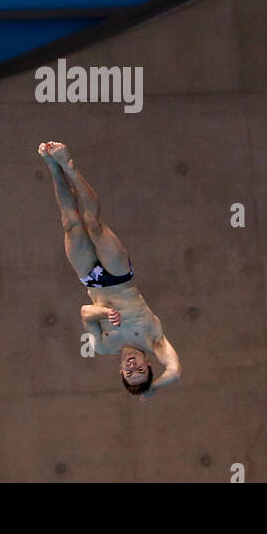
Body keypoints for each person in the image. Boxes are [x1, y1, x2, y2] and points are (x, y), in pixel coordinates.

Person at [38, 141, 181, 399]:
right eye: (140, 371)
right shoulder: (154, 341)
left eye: (129, 374)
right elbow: (175, 371)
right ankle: (70, 167)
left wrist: (103, 312)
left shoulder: (104, 346)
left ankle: (52, 167)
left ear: (120, 371)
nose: (133, 368)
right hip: (119, 277)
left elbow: (85, 313)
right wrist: (151, 388)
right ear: (149, 365)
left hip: (91, 281)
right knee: (94, 226)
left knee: (71, 224)